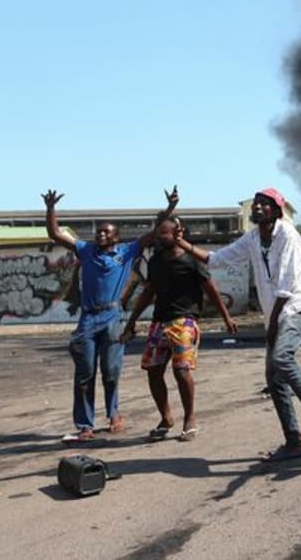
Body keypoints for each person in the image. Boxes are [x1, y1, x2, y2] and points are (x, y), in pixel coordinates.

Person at [178, 189, 301, 461]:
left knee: (282, 358)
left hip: (293, 308)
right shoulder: (252, 238)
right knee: (274, 380)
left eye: (266, 204)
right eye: (258, 204)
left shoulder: (288, 235)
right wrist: (182, 243)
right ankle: (293, 442)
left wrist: (272, 324)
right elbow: (217, 259)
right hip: (274, 314)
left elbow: (286, 287)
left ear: (277, 211)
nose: (260, 208)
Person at [44, 187, 177, 443]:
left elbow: (154, 233)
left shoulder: (127, 251)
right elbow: (55, 233)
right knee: (85, 374)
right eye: (99, 231)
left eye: (106, 231)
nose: (101, 234)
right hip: (88, 320)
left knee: (111, 371)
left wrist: (169, 208)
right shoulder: (85, 250)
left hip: (113, 318)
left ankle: (114, 414)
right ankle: (85, 425)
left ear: (116, 237)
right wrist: (51, 208)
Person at [122, 216, 236, 441]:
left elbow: (211, 289)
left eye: (162, 234)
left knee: (181, 371)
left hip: (184, 321)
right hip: (159, 321)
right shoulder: (155, 261)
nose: (157, 237)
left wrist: (226, 317)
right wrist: (132, 319)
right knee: (153, 371)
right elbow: (149, 292)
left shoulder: (192, 261)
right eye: (156, 234)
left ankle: (189, 419)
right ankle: (166, 418)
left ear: (177, 234)